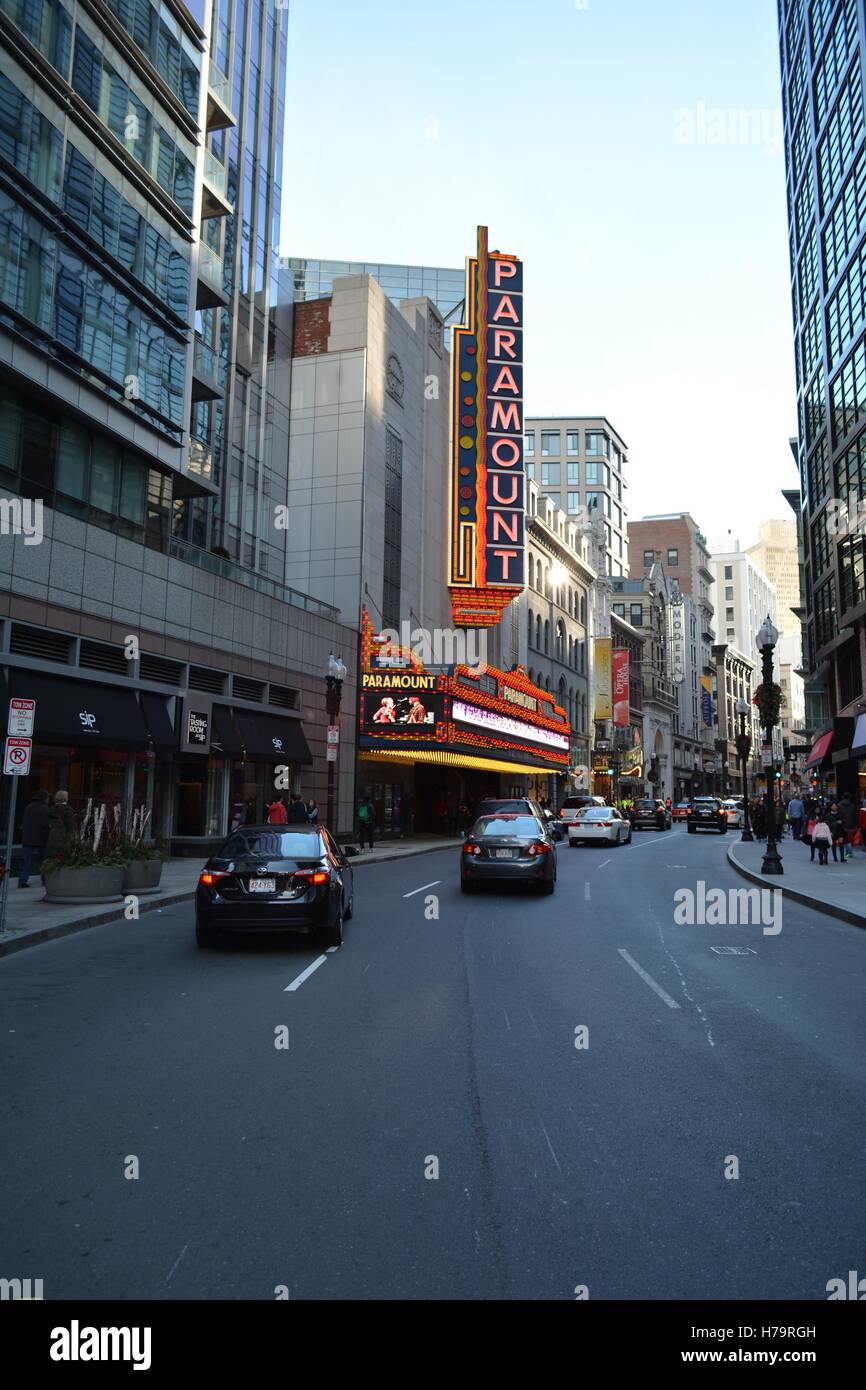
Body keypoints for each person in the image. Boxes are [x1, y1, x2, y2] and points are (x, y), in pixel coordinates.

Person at [18, 788, 51, 888]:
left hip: (27, 838)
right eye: (48, 797)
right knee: (44, 861)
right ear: (44, 798)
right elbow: (46, 824)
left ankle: (22, 880)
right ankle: (45, 880)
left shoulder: (28, 807)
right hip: (41, 839)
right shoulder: (45, 809)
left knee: (25, 862)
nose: (49, 799)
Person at [45, 790, 76, 857]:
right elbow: (70, 826)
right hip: (63, 837)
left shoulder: (50, 809)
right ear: (66, 798)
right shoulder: (68, 810)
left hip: (50, 837)